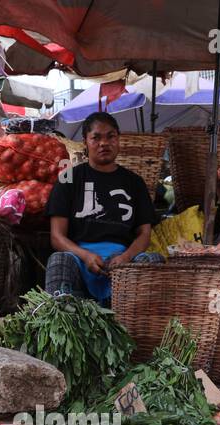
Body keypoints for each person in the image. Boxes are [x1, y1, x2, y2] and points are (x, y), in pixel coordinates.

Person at [45, 111, 160, 303]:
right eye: (96, 137)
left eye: (110, 136)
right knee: (58, 261)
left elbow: (144, 234)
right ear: (85, 142)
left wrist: (126, 257)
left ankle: (135, 327)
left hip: (123, 262)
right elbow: (57, 237)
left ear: (118, 140)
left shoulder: (134, 182)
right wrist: (85, 255)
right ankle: (66, 325)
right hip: (79, 260)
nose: (104, 143)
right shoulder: (68, 180)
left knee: (153, 261)